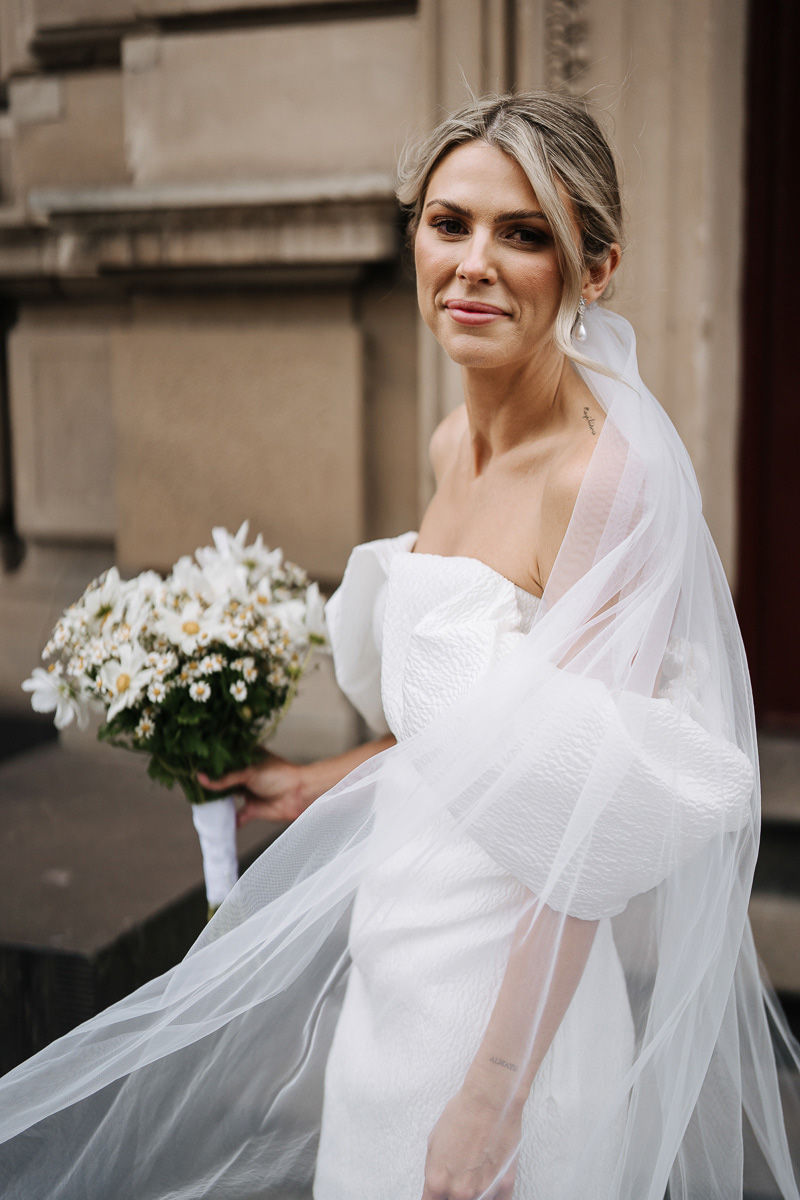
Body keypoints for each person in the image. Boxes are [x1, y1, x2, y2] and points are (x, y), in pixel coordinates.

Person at [0, 91, 798, 1200]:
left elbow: (582, 817)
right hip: (398, 956)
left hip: (507, 1004)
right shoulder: (446, 444)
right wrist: (310, 781)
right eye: (447, 221)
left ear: (594, 269)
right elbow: (471, 728)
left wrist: (494, 1094)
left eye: (524, 234)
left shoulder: (606, 483)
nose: (472, 262)